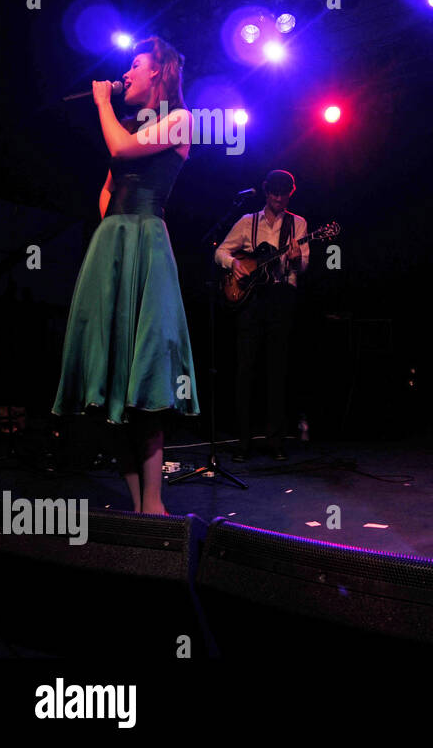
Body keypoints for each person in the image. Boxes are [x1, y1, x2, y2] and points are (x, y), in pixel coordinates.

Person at [52, 36, 199, 514]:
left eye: (136, 64)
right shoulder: (130, 124)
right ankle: (136, 506)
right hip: (116, 245)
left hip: (149, 245)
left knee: (147, 370)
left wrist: (100, 103)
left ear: (159, 71)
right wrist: (111, 233)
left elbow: (120, 151)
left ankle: (153, 505)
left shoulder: (180, 119)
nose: (126, 73)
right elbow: (108, 187)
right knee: (112, 375)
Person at [213, 170, 308, 462]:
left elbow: (303, 264)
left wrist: (295, 259)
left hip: (281, 299)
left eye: (284, 194)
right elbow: (219, 252)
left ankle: (275, 441)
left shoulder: (298, 223)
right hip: (252, 302)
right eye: (274, 194)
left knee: (276, 371)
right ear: (267, 192)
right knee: (246, 369)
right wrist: (233, 265)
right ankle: (243, 442)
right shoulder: (247, 222)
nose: (279, 199)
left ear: (290, 193)